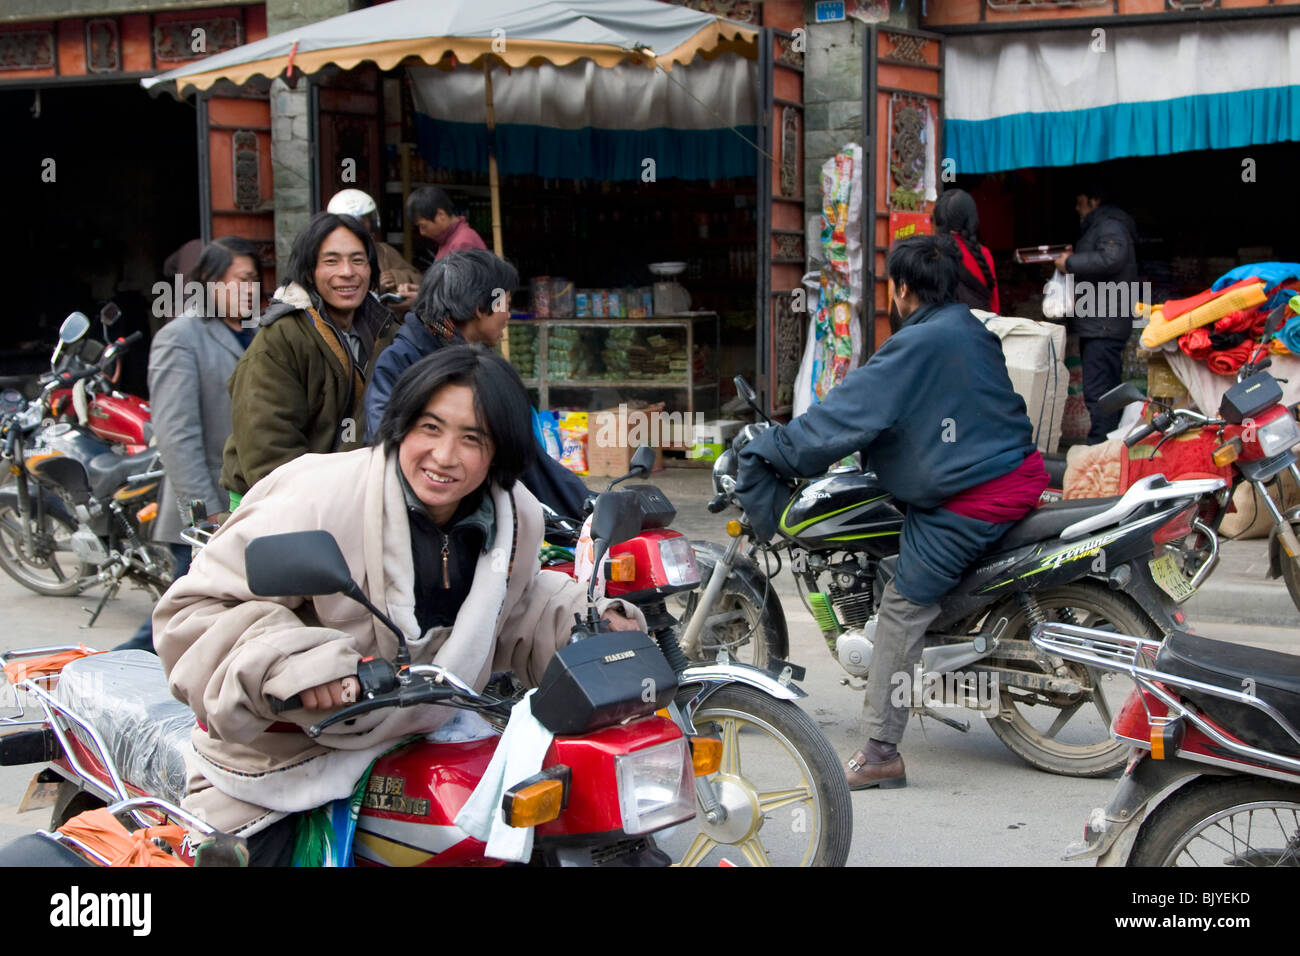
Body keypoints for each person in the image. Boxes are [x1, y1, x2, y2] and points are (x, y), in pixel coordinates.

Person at [154, 345, 643, 865]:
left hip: (431, 737)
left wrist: (586, 624)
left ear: (499, 451)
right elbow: (194, 612)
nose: (445, 456)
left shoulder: (517, 515)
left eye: (472, 438)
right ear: (402, 424)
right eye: (430, 428)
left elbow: (513, 606)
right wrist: (297, 666)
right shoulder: (320, 495)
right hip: (285, 761)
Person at [734, 235, 1047, 790]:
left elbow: (845, 413)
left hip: (974, 496)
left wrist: (775, 448)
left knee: (903, 606)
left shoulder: (917, 343)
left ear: (901, 290)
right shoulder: (970, 328)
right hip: (1013, 475)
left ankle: (881, 752)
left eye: (891, 287)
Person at [364, 249, 591, 520]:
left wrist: (590, 506)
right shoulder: (402, 360)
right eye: (506, 303)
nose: (509, 314)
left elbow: (528, 461)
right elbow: (384, 446)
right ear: (480, 307)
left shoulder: (477, 364)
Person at [114, 237, 260, 654]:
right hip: (209, 507)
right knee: (179, 615)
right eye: (241, 280)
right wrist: (202, 514)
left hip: (247, 501)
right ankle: (106, 678)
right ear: (211, 282)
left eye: (255, 281)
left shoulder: (257, 332)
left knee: (200, 614)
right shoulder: (181, 336)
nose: (250, 289)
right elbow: (177, 433)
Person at [220, 211, 399, 510]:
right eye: (331, 261)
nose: (347, 272)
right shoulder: (281, 339)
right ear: (309, 271)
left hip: (359, 500)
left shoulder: (387, 332)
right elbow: (269, 454)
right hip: (280, 505)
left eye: (358, 260)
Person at [1053, 184, 1138, 443]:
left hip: (1104, 323)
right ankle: (1108, 445)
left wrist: (1069, 263)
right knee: (1106, 391)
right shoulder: (1102, 226)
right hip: (1102, 323)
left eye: (1080, 202)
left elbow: (1111, 259)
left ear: (1094, 200)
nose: (1077, 209)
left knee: (1100, 392)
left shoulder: (1109, 226)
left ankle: (1100, 447)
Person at [326, 189, 421, 313]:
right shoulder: (327, 258)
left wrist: (397, 276)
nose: (361, 226)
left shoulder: (384, 251)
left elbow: (419, 279)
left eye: (365, 220)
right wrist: (375, 287)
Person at [934, 189, 999, 314]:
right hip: (979, 327)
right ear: (971, 217)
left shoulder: (932, 251)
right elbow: (994, 305)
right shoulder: (983, 254)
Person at [407, 186, 487, 261]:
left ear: (441, 215)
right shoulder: (450, 239)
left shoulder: (462, 243)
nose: (422, 232)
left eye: (423, 226)